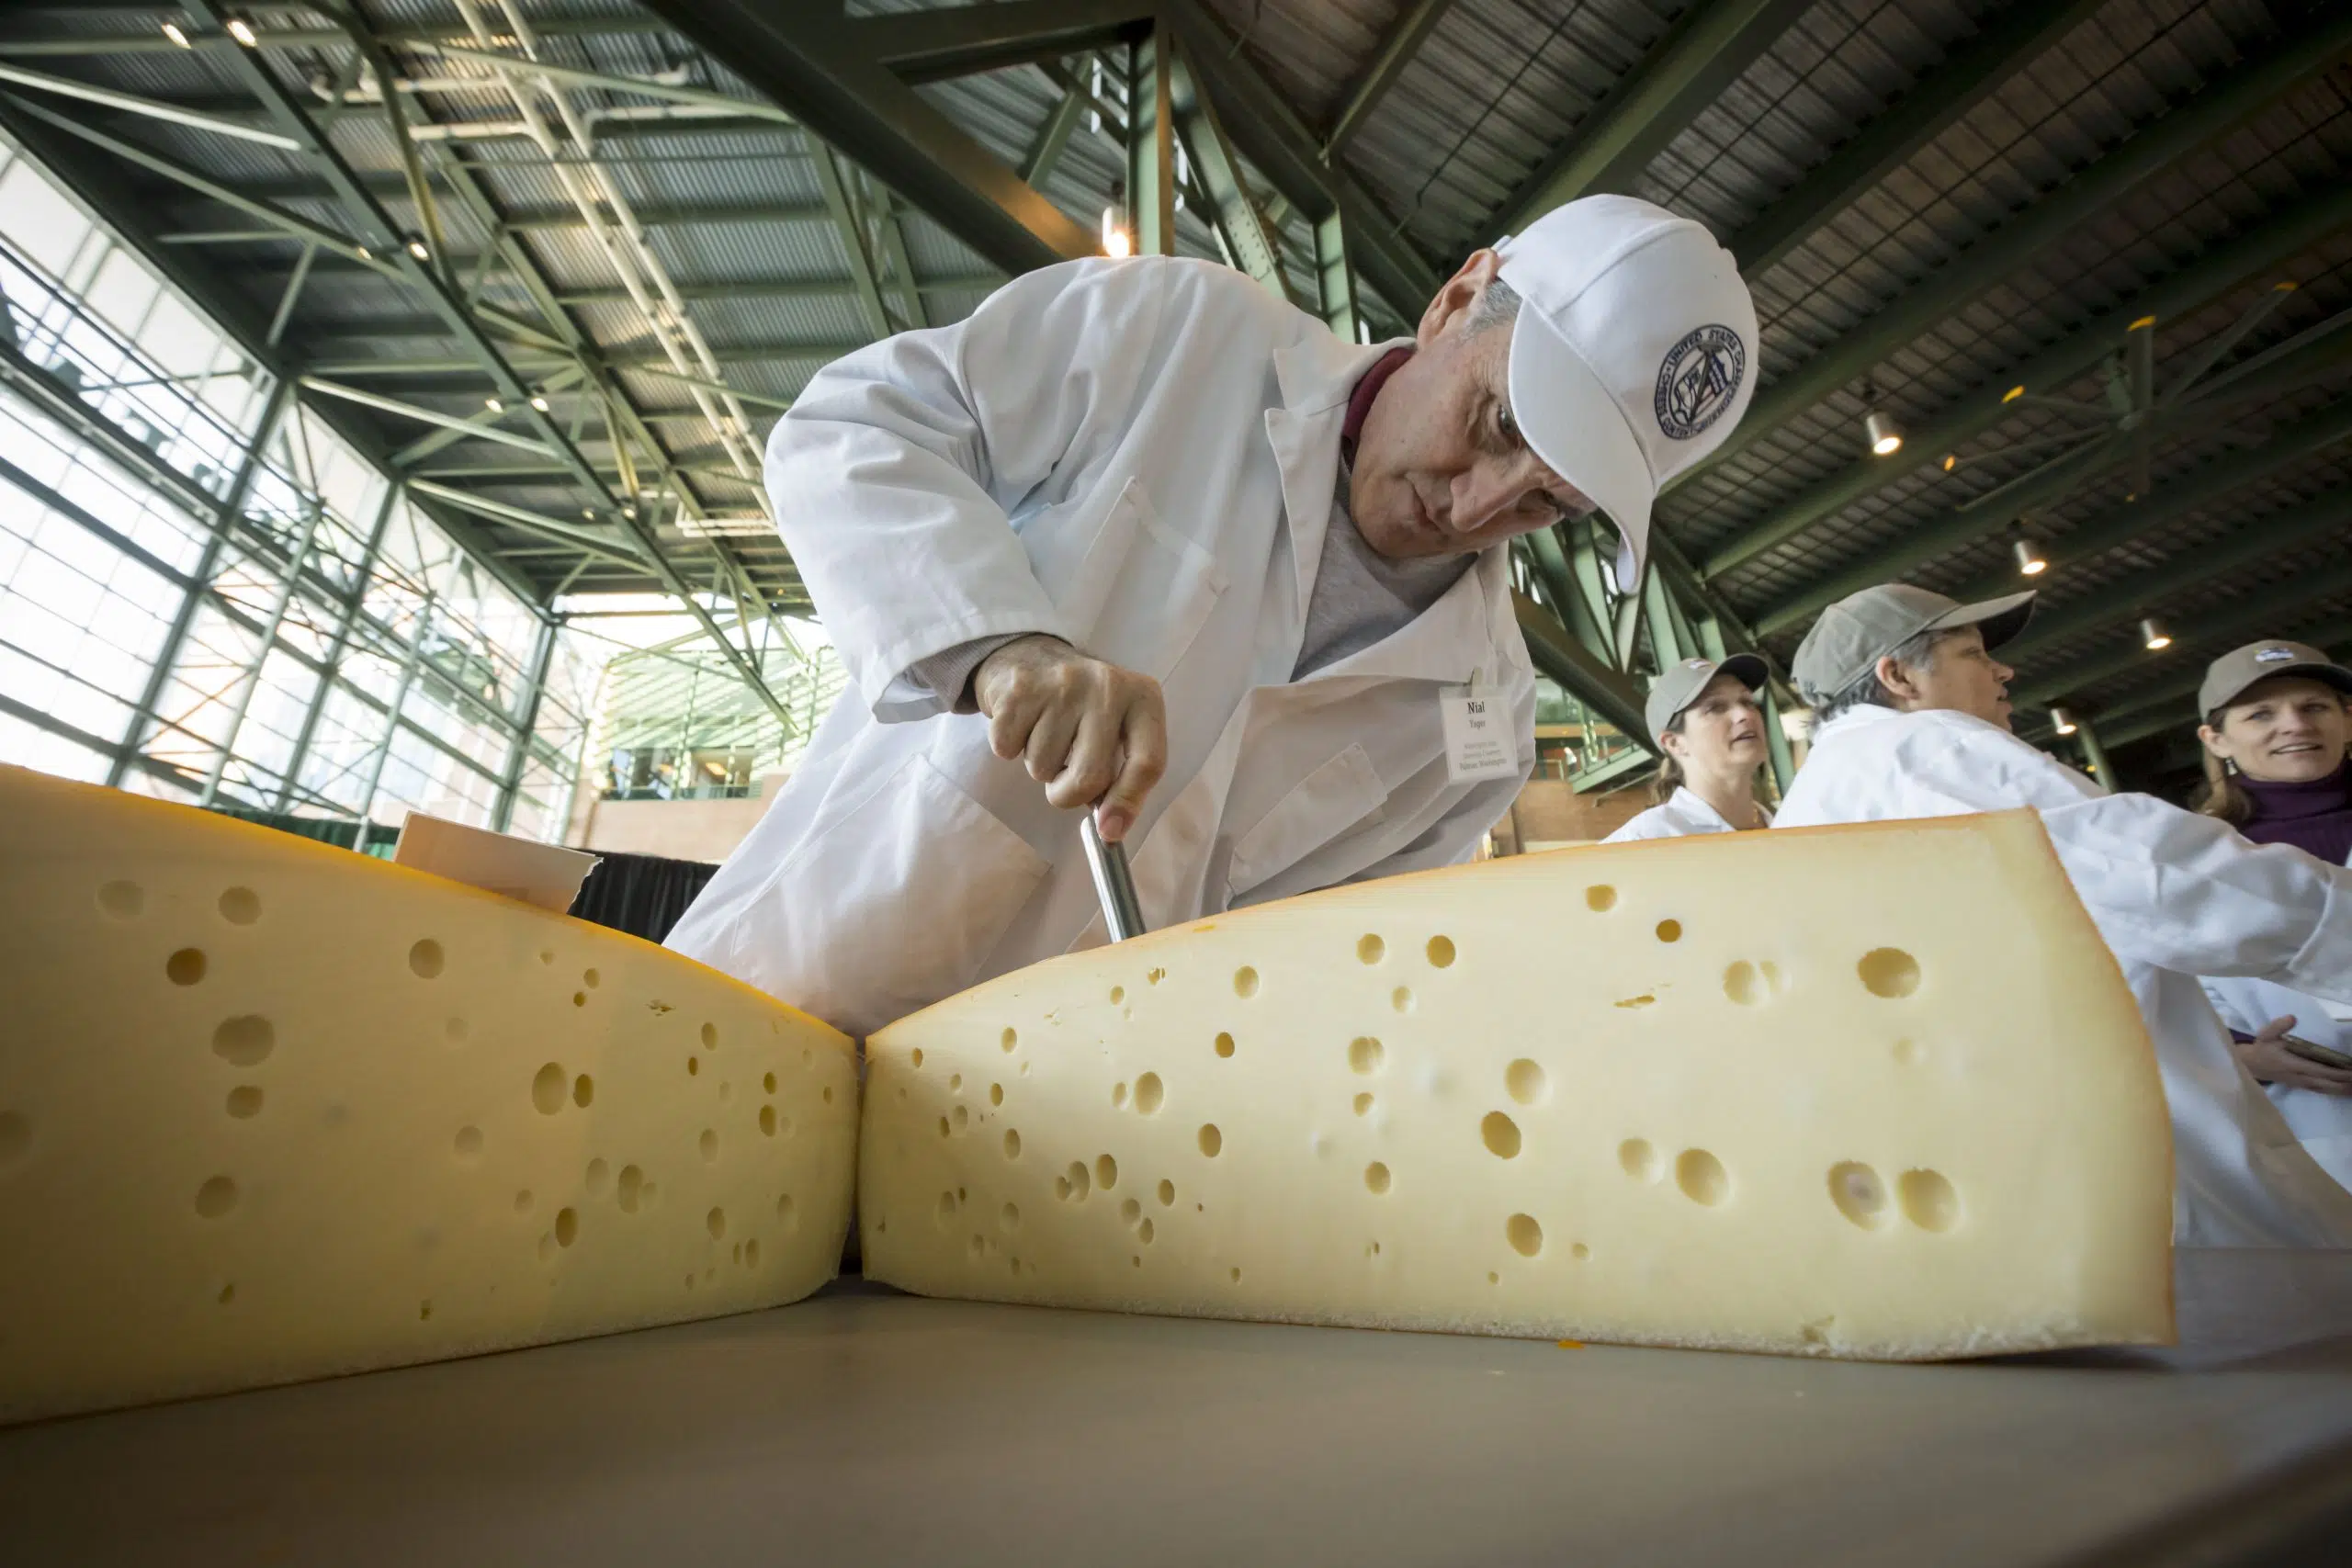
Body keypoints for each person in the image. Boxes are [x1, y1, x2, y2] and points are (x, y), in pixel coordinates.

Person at [664, 197, 1759, 1035]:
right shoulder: (1183, 338)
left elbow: (1320, 990)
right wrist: (1001, 647)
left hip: (1053, 1161)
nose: (1477, 503)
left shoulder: (1480, 739)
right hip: (795, 995)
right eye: (1493, 422)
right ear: (1458, 300)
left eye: (1545, 502)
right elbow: (857, 427)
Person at [1771, 583, 2352, 1247]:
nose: (2002, 671)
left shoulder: (1817, 793)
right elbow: (2152, 874)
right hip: (2117, 1143)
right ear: (1898, 676)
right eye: (1971, 653)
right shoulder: (1928, 745)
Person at [2191, 640, 2352, 1190]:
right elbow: (2158, 995)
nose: (2294, 725)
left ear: (2346, 720)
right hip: (2314, 1130)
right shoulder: (2192, 860)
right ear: (2216, 739)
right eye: (2262, 713)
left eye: (2314, 707)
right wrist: (2243, 1056)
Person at [1604, 655, 1773, 841]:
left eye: (1747, 702)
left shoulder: (1791, 821)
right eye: (1715, 707)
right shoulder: (1647, 839)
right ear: (1674, 743)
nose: (1744, 714)